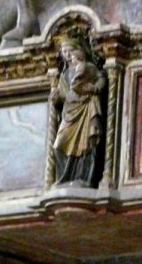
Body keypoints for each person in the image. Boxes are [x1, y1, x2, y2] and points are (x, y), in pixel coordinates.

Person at [51, 40, 104, 186]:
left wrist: (95, 89)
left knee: (86, 145)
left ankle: (83, 178)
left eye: (69, 51)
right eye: (64, 52)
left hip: (86, 107)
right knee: (58, 146)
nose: (67, 55)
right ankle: (64, 179)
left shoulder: (89, 68)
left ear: (77, 51)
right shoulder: (64, 75)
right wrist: (56, 99)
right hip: (69, 112)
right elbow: (64, 94)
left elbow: (101, 79)